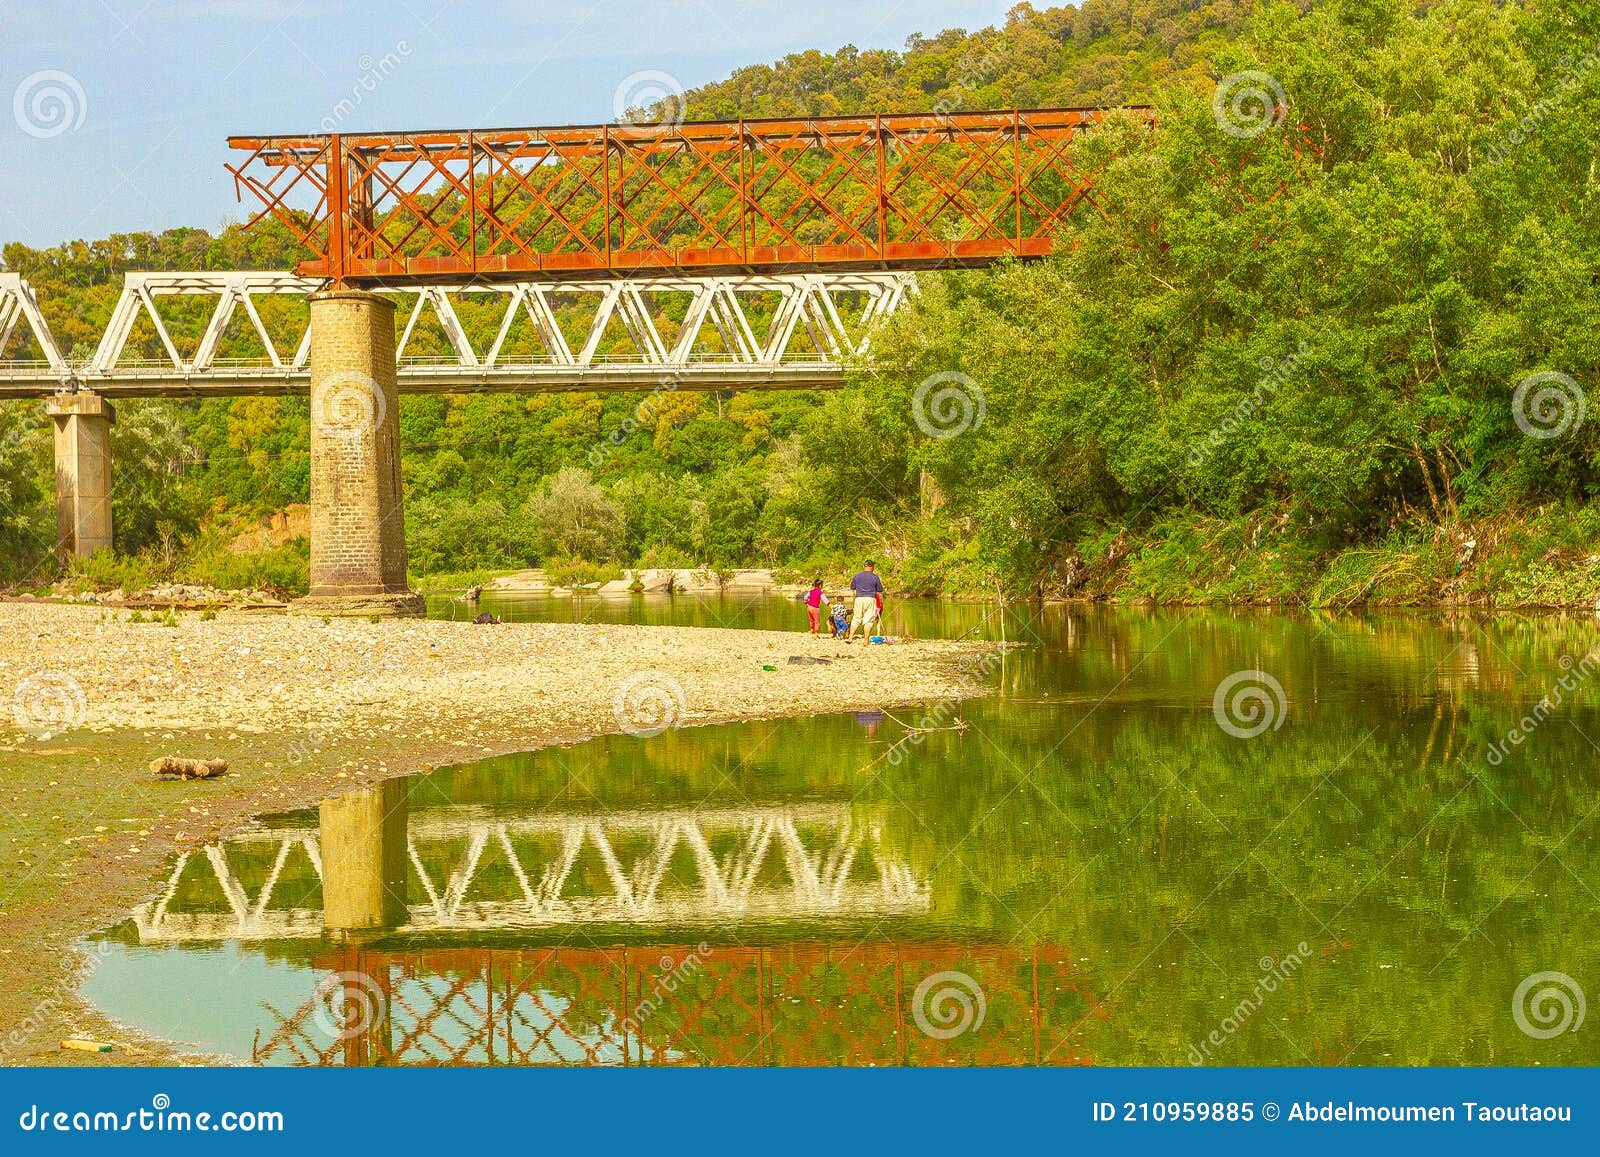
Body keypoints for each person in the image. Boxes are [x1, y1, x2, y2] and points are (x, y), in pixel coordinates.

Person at [846, 560, 884, 640]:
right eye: (873, 567)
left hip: (859, 598)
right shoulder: (875, 577)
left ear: (865, 566)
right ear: (871, 567)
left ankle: (850, 638)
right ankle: (866, 640)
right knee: (868, 620)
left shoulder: (856, 575)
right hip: (870, 598)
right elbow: (880, 589)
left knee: (856, 618)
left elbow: (852, 587)